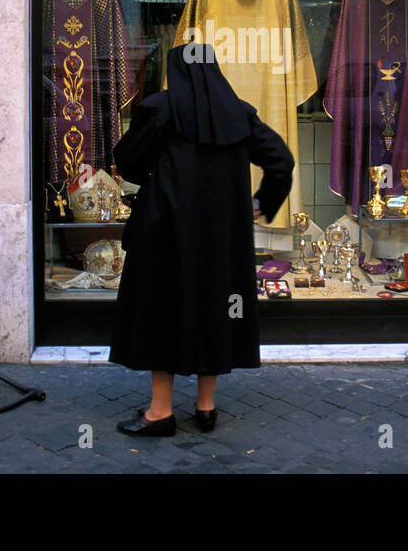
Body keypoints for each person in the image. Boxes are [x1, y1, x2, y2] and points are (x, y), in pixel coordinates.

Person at [110, 42, 294, 436]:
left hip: (164, 231)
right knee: (216, 310)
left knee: (162, 311)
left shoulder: (160, 108)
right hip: (221, 239)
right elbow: (282, 160)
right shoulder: (238, 112)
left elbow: (127, 161)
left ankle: (160, 413)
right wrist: (261, 203)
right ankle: (205, 406)